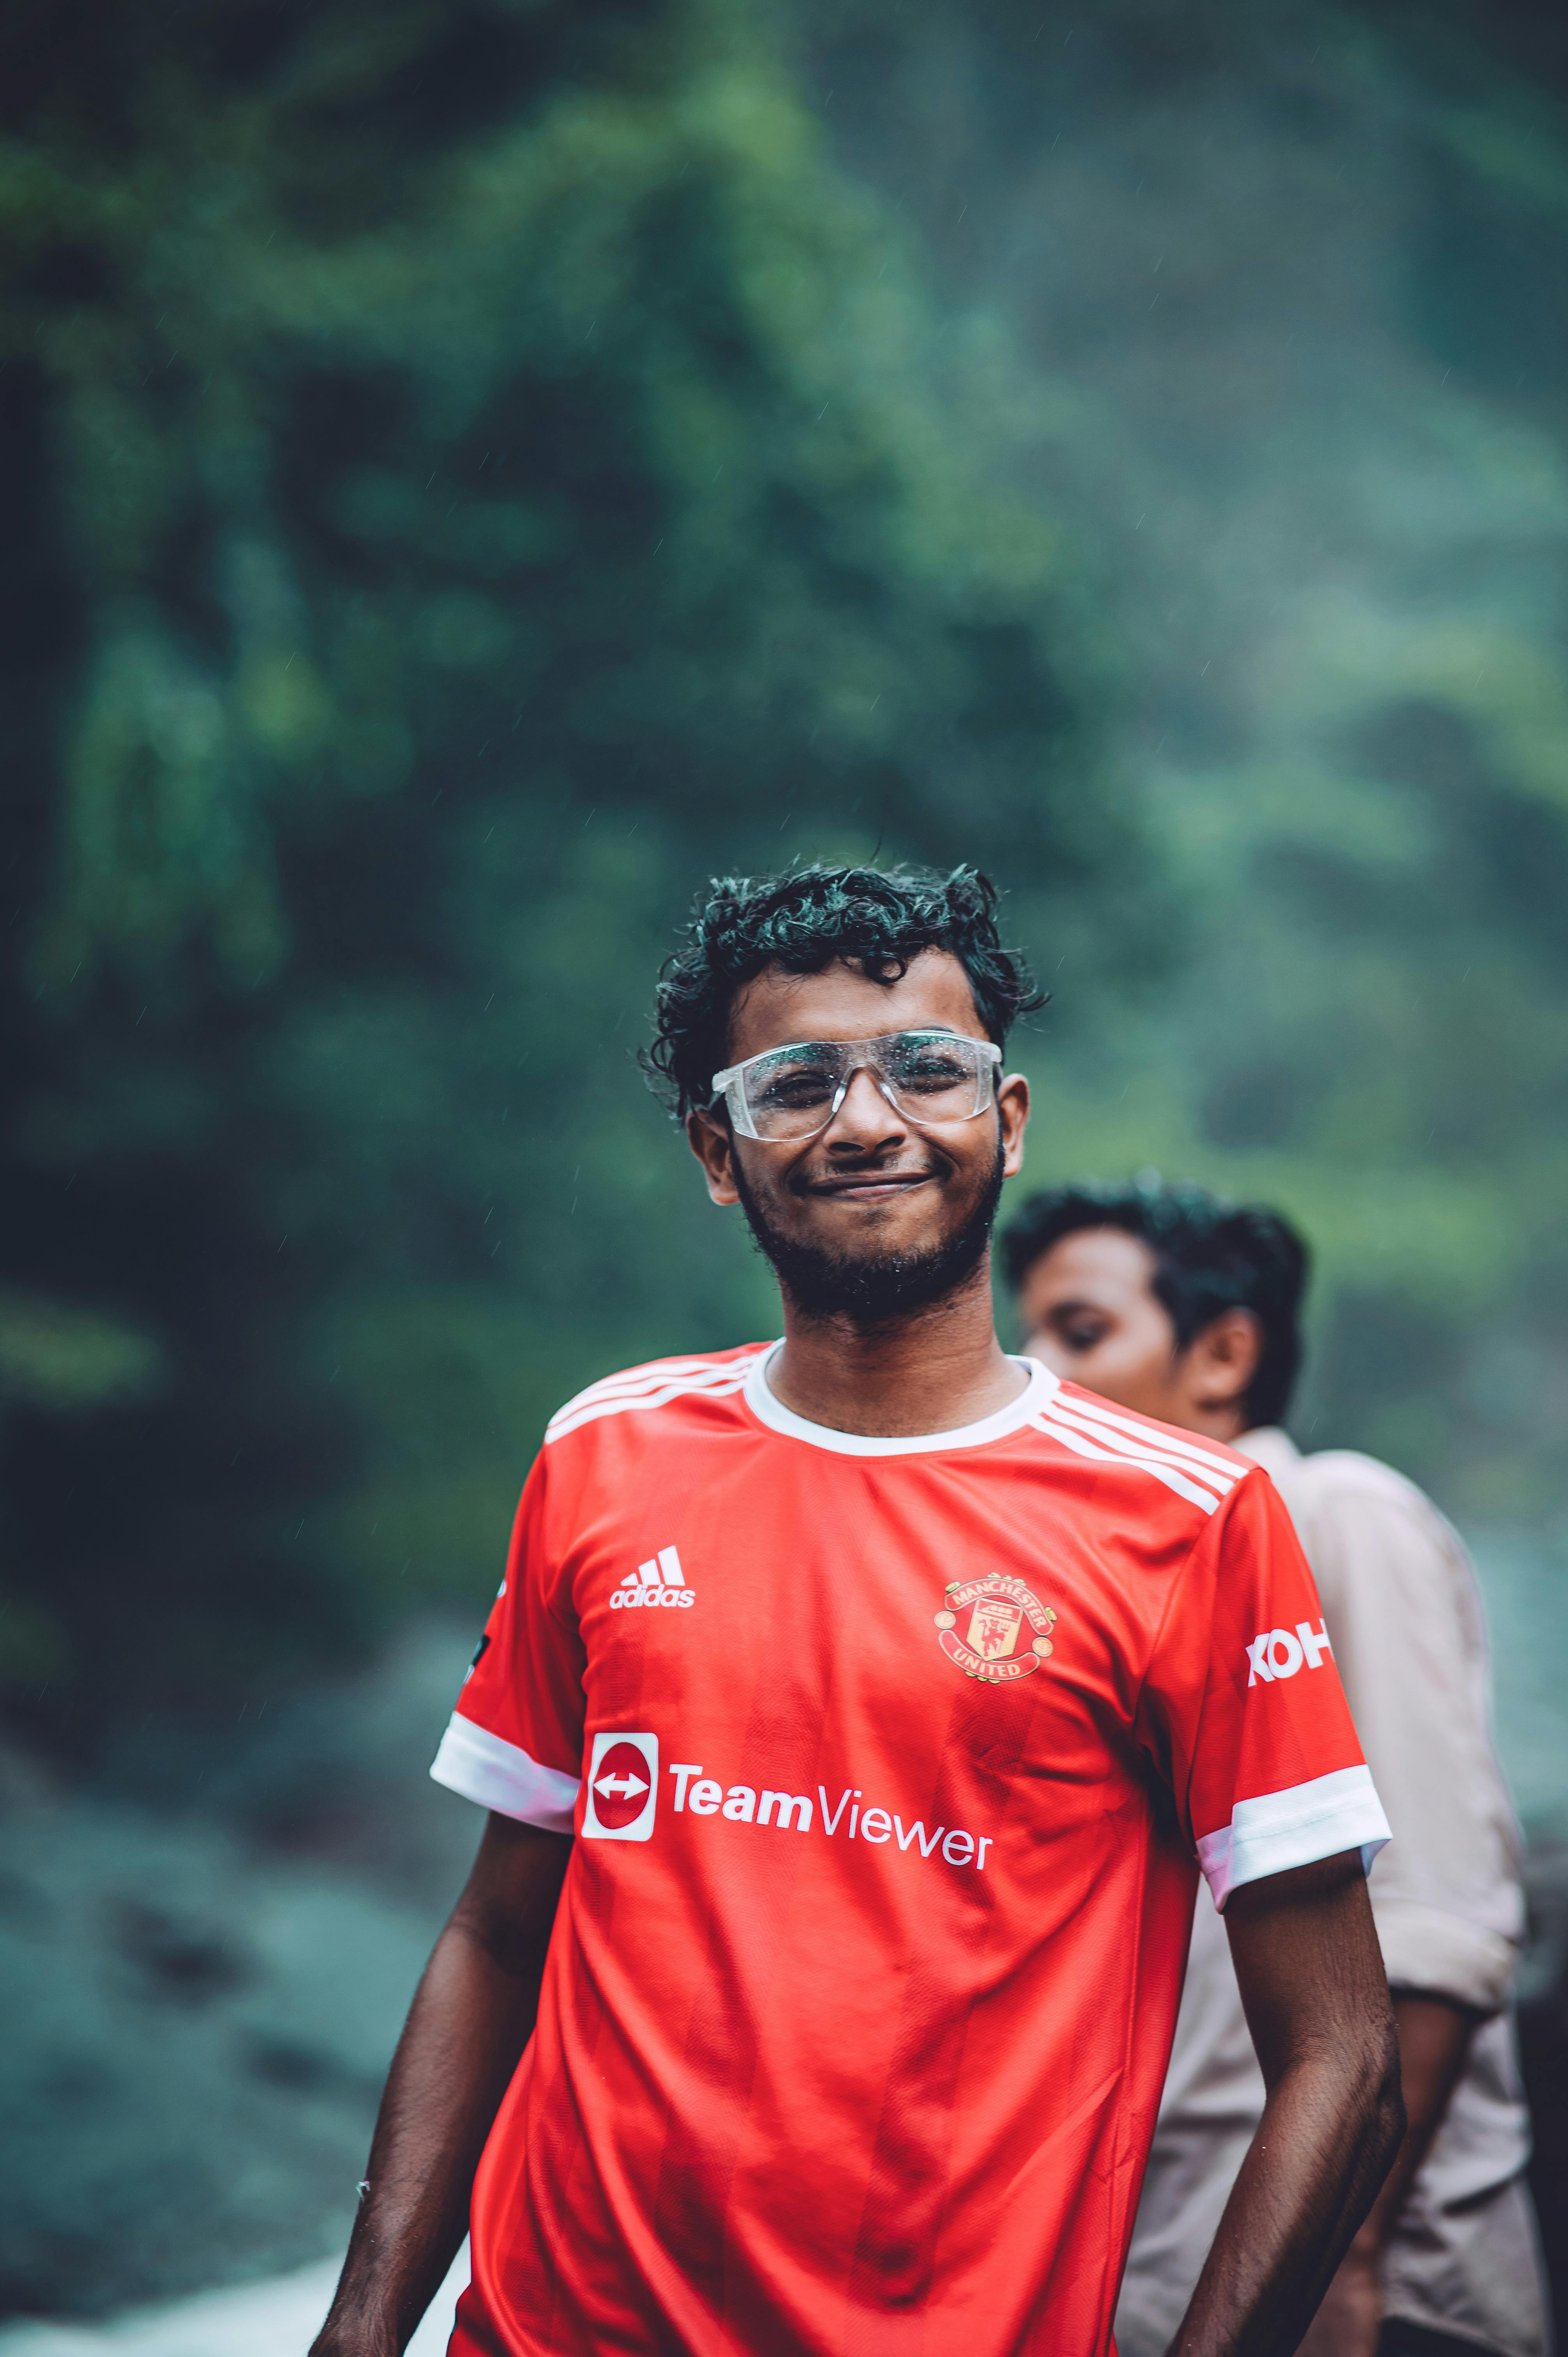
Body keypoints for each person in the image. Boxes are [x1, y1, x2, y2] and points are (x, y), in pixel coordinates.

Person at [312, 868, 1404, 2357]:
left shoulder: (1189, 1521)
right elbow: (502, 1932)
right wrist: (365, 2320)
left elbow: (1344, 2055)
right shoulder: (601, 1455)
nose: (869, 1121)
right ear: (718, 1148)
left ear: (1006, 1122)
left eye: (927, 1069)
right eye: (798, 1082)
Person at [1005, 1178, 1550, 2357]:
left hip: (1374, 2302)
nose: (1034, 1370)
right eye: (1030, 1333)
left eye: (1080, 1331)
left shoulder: (1335, 1515)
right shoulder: (1128, 1597)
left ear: (1224, 1354)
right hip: (1177, 2286)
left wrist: (1344, 2260)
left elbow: (1441, 1928)